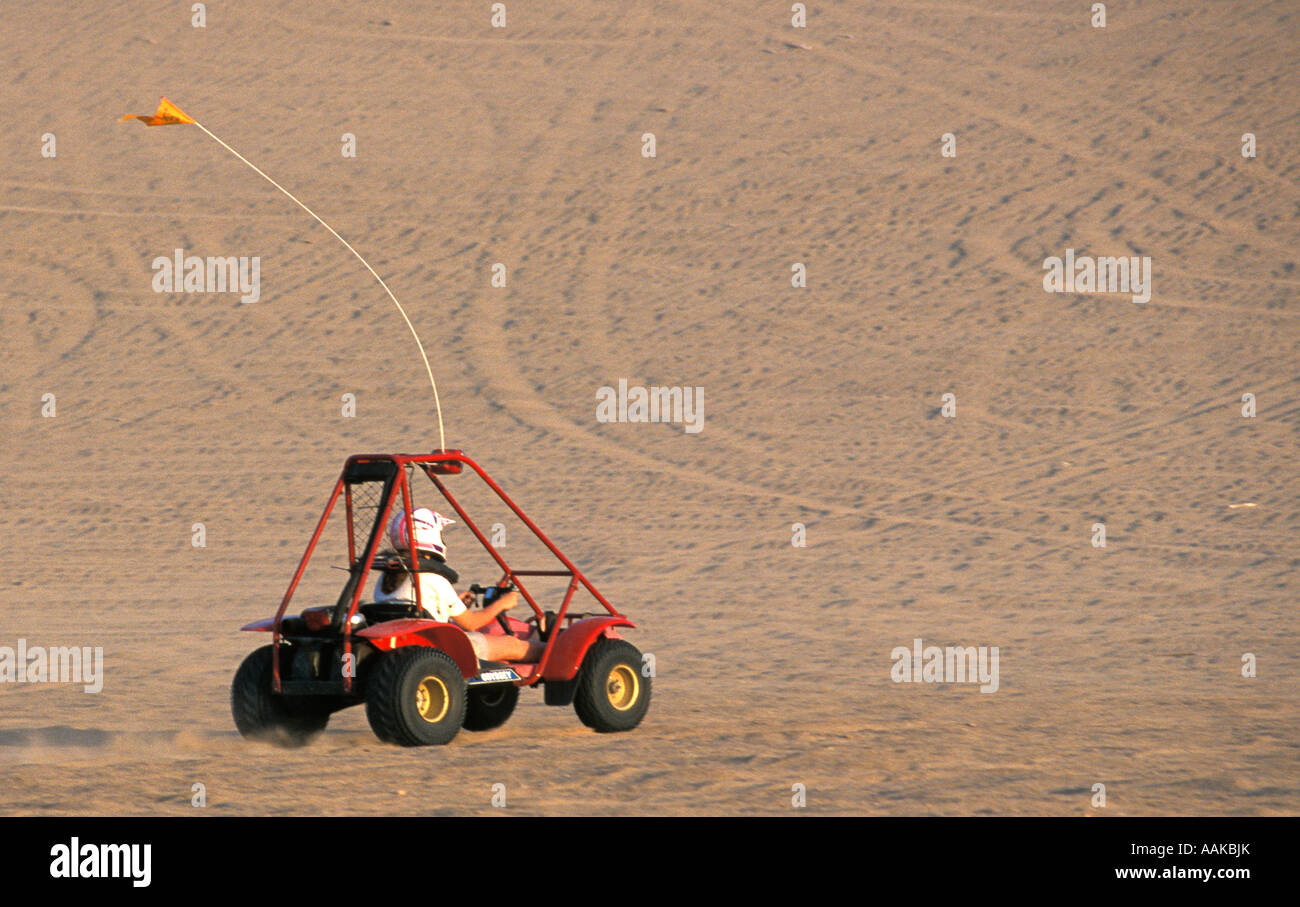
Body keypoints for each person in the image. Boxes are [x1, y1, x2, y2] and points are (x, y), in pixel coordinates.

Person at [373, 507, 544, 663]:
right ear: (429, 535)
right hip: (437, 649)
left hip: (403, 645)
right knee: (512, 645)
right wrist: (503, 603)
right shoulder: (433, 578)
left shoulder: (384, 579)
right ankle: (551, 647)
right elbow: (472, 623)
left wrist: (454, 605)